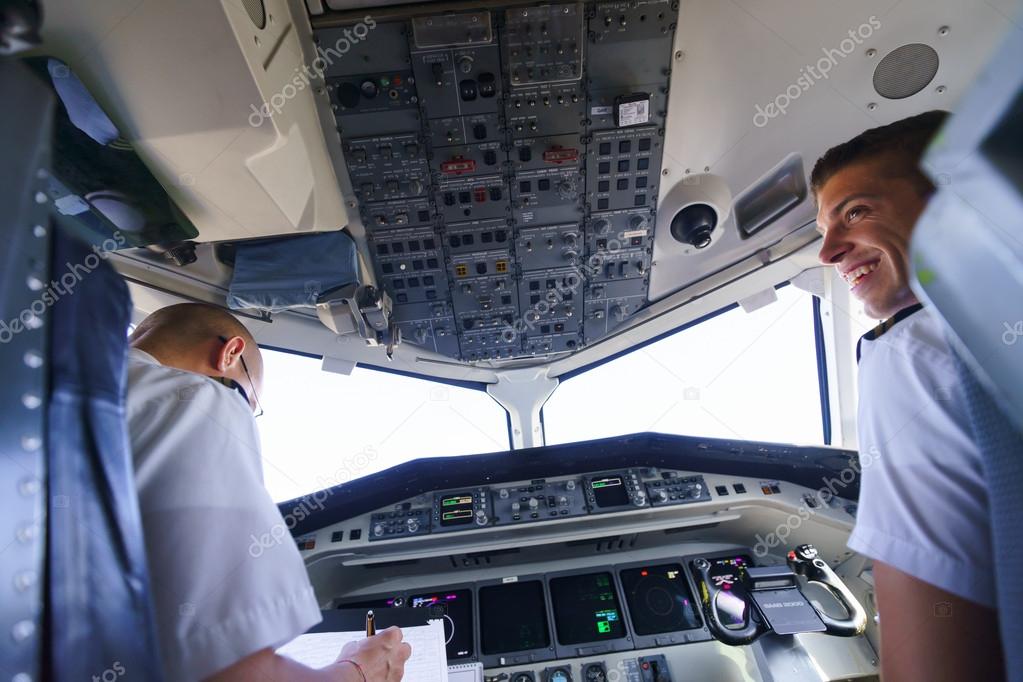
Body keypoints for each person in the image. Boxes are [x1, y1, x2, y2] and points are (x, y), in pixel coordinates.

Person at [813, 110, 1006, 681]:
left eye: (856, 212)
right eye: (823, 230)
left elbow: (932, 666)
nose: (828, 252)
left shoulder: (910, 355)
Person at [127, 303, 411, 681]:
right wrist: (360, 672)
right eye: (247, 401)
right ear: (230, 353)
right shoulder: (196, 399)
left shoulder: (63, 380)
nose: (241, 413)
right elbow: (232, 674)